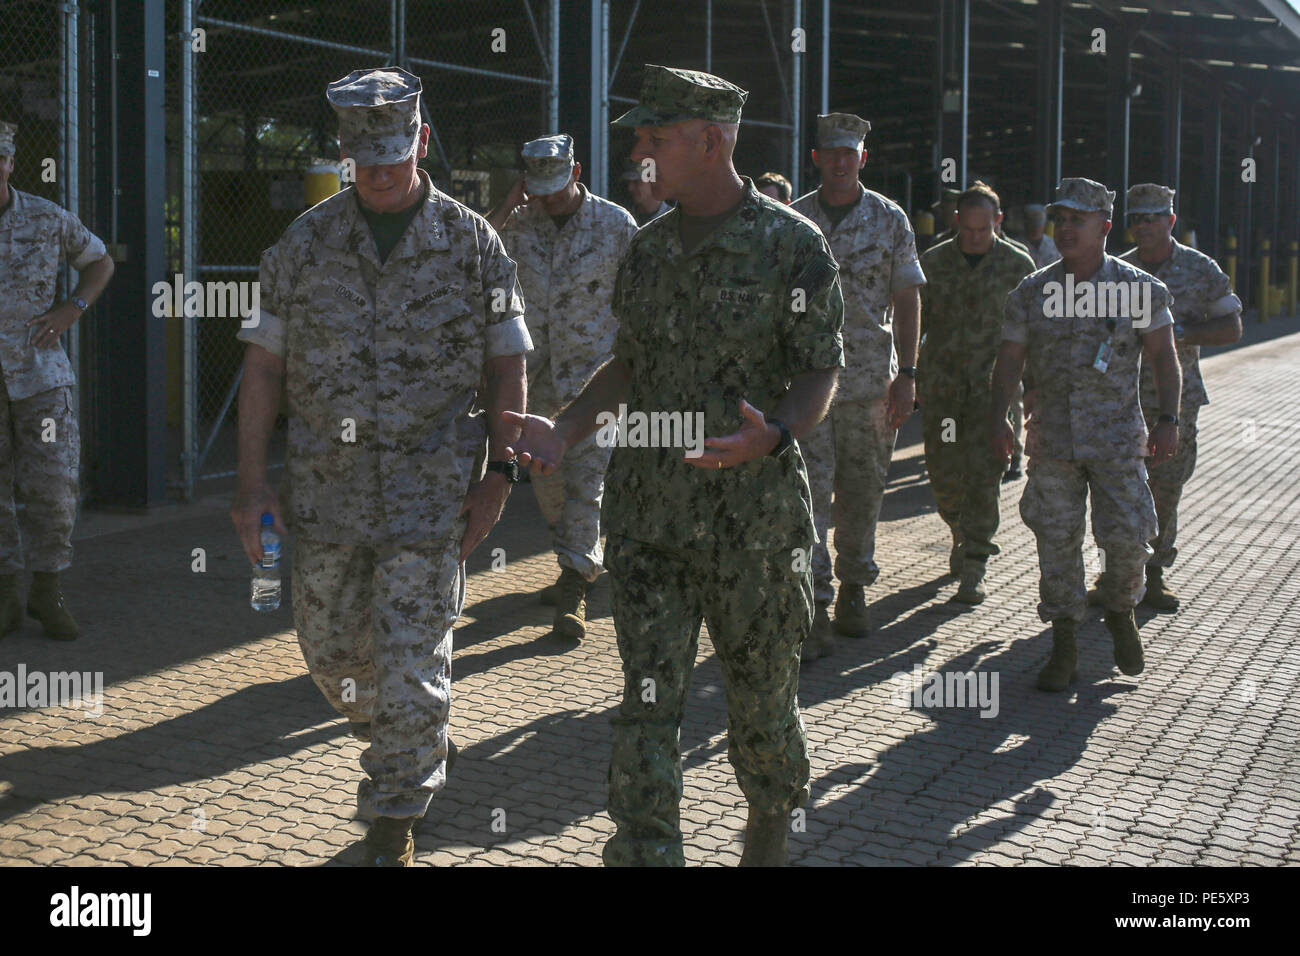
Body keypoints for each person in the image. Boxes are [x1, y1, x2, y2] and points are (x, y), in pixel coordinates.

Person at [505, 64, 843, 866]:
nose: (639, 149)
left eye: (655, 136)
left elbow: (821, 368)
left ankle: (768, 817)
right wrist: (566, 426)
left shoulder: (792, 245)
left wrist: (778, 433)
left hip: (753, 523)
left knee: (761, 699)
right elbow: (628, 364)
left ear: (711, 140)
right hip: (650, 517)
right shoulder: (647, 248)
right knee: (647, 700)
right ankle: (646, 846)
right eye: (640, 136)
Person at [231, 67, 530, 865]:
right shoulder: (302, 244)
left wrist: (503, 474)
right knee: (331, 657)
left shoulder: (474, 244)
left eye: (395, 161)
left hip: (432, 495)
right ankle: (408, 734)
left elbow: (508, 365)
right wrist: (251, 484)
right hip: (326, 494)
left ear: (422, 142)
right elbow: (262, 368)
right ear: (345, 155)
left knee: (414, 657)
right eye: (367, 166)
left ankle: (395, 808)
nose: (382, 178)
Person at [990, 177, 1182, 693]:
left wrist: (1169, 419)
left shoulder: (1138, 289)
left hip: (1119, 442)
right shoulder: (1033, 292)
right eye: (1062, 219)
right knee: (1056, 543)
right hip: (1052, 442)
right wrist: (997, 421)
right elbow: (1009, 361)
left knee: (1127, 541)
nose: (1067, 228)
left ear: (1104, 226)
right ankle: (1065, 643)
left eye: (1079, 219)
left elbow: (1164, 356)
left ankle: (1121, 611)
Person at [487, 134, 637, 640]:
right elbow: (471, 256)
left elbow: (641, 293)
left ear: (577, 173)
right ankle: (576, 558)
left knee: (587, 482)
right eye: (537, 189)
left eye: (555, 187)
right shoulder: (518, 225)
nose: (547, 199)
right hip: (538, 379)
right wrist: (509, 204)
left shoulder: (615, 224)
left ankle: (574, 581)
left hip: (597, 380)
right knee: (548, 480)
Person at [790, 112, 924, 664]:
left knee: (863, 495)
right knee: (809, 497)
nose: (841, 162)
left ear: (863, 159)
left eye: (851, 153)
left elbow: (910, 297)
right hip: (807, 388)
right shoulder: (794, 220)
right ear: (817, 158)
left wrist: (909, 375)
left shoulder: (889, 219)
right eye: (831, 153)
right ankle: (815, 605)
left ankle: (854, 588)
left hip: (872, 385)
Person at [1096, 183, 1241, 612]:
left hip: (1172, 404)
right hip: (1120, 402)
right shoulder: (1114, 271)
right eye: (1136, 219)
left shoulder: (1200, 269)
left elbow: (1232, 329)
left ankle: (1153, 575)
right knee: (1115, 490)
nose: (1143, 226)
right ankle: (1112, 575)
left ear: (1171, 221)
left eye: (1152, 218)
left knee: (1164, 488)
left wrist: (1182, 333)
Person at [0, 119, 115, 641]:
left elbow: (100, 261)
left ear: (10, 163)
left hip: (39, 377)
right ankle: (5, 595)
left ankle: (46, 591)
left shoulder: (46, 219)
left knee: (53, 486)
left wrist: (72, 308)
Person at [918, 181, 1035, 603]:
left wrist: (1034, 390)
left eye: (982, 230)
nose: (973, 237)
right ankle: (957, 528)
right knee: (946, 474)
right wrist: (909, 376)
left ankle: (975, 562)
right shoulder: (934, 263)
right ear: (955, 223)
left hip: (993, 395)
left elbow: (1031, 334)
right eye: (966, 230)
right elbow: (918, 322)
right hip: (944, 393)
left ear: (998, 222)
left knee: (985, 475)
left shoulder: (1018, 266)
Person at [621, 159, 672, 225]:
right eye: (628, 183)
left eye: (636, 182)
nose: (630, 188)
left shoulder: (673, 219)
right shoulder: (623, 217)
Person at [1021, 203, 1060, 269]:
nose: (1036, 228)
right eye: (1032, 222)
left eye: (1039, 222)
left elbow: (1067, 271)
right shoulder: (1016, 246)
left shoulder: (1055, 245)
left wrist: (1069, 279)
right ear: (1025, 223)